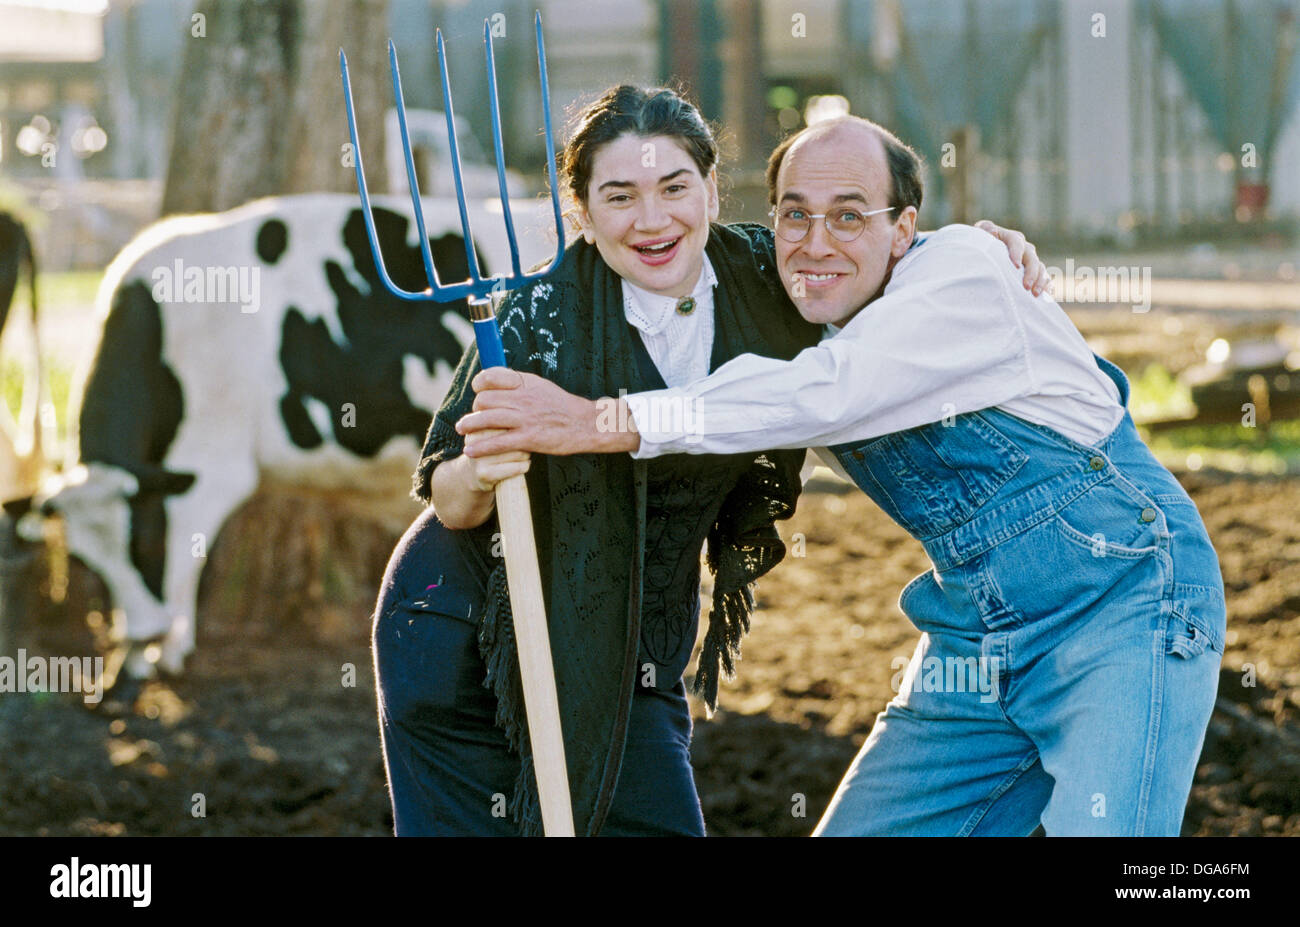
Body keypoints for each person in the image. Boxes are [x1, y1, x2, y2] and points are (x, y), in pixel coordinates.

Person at [461, 115, 1226, 837]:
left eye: (850, 215)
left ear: (904, 228)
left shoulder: (962, 272)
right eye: (796, 215)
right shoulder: (802, 301)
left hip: (1121, 603)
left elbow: (829, 389)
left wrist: (599, 420)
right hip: (975, 637)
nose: (816, 240)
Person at [373, 88, 1045, 837]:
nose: (653, 220)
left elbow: (877, 264)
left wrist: (972, 251)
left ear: (713, 189)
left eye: (674, 188)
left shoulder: (775, 278)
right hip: (462, 629)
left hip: (635, 640)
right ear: (582, 214)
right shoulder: (540, 315)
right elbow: (446, 490)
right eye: (619, 196)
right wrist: (482, 469)